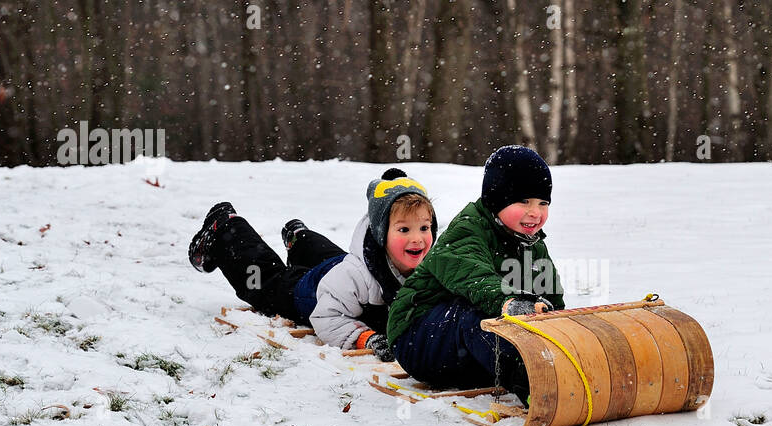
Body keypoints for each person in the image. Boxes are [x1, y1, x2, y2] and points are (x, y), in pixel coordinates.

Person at [188, 168, 435, 357]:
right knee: (266, 283)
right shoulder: (356, 276)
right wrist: (365, 338)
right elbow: (327, 317)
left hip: (339, 269)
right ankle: (226, 228)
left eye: (424, 227)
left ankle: (301, 240)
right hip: (312, 292)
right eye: (404, 229)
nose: (417, 238)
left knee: (334, 261)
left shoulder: (420, 265)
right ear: (381, 234)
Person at [386, 146, 564, 398]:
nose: (535, 212)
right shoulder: (468, 229)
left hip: (470, 353)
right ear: (497, 199)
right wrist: (510, 302)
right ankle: (534, 384)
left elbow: (550, 296)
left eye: (543, 203)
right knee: (476, 315)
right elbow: (474, 278)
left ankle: (558, 371)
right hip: (419, 337)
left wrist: (563, 330)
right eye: (523, 201)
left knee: (504, 319)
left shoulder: (532, 245)